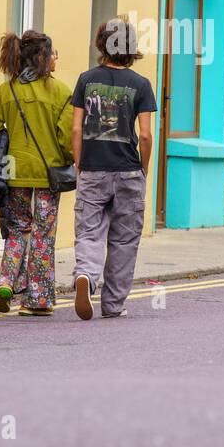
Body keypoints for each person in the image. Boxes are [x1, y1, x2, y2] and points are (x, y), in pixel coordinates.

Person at [0, 30, 74, 317]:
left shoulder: (5, 91)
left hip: (14, 172)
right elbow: (67, 138)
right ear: (42, 57)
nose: (57, 58)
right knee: (43, 235)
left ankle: (6, 282)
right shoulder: (61, 92)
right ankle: (37, 299)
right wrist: (69, 159)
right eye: (54, 53)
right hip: (48, 176)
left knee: (17, 231)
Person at [71, 19, 155, 320]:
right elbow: (145, 135)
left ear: (101, 44)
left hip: (93, 168)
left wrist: (80, 165)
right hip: (129, 170)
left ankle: (85, 276)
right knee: (124, 239)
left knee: (89, 232)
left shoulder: (86, 80)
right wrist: (143, 168)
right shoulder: (142, 85)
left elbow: (76, 129)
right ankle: (113, 304)